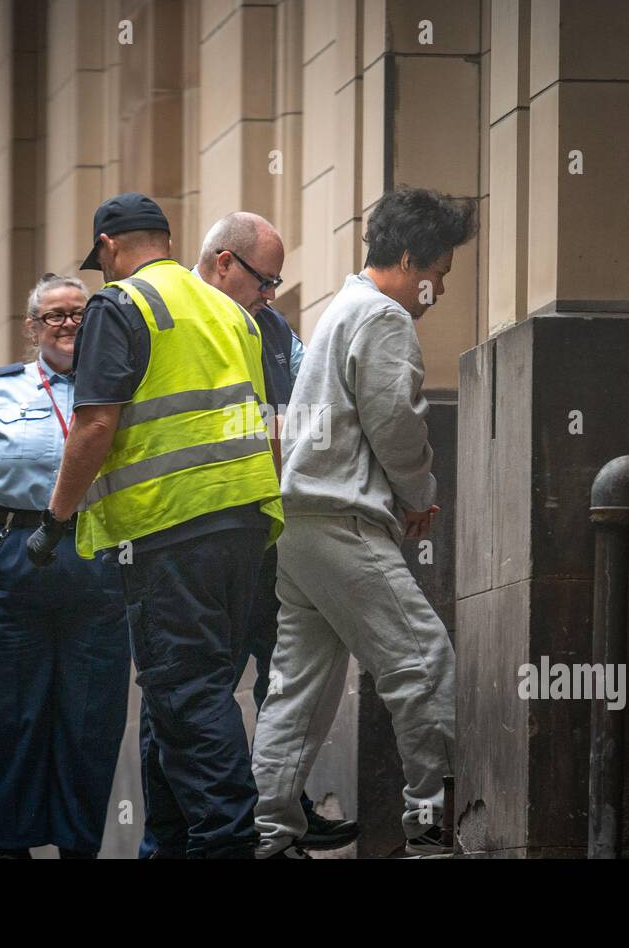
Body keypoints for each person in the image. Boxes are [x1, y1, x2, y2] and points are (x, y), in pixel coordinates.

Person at [26, 192, 282, 858]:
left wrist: (55, 520)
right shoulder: (232, 313)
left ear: (109, 249)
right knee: (184, 691)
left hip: (174, 528)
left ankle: (227, 841)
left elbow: (96, 424)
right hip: (247, 522)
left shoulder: (122, 304)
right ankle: (170, 845)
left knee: (187, 691)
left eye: (101, 262)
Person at [250, 187, 478, 858]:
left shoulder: (339, 311)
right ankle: (431, 837)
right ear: (411, 258)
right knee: (426, 668)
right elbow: (397, 425)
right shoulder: (382, 318)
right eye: (439, 273)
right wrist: (419, 496)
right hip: (345, 522)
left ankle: (265, 838)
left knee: (298, 692)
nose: (437, 288)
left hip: (300, 526)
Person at [0, 272, 130, 859]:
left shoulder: (120, 386)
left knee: (90, 718)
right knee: (14, 716)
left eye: (78, 313)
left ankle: (77, 849)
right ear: (32, 329)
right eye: (54, 316)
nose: (68, 324)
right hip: (15, 553)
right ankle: (12, 848)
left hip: (95, 553)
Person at [190, 211, 358, 853]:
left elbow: (300, 404)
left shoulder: (270, 325)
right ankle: (215, 826)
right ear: (225, 263)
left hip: (272, 532)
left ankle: (281, 814)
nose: (271, 293)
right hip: (208, 537)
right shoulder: (186, 323)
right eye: (265, 280)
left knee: (283, 679)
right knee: (204, 691)